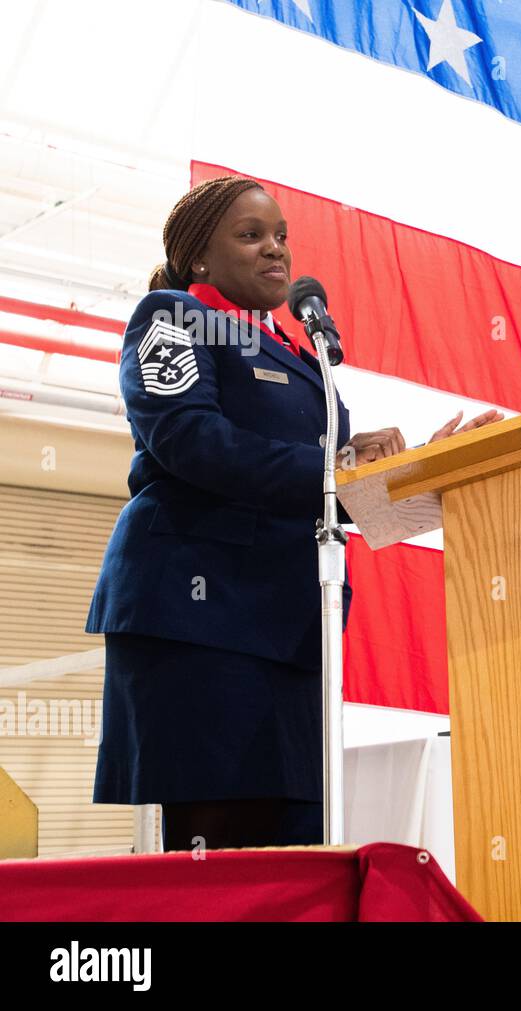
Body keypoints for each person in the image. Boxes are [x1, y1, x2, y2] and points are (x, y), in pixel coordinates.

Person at [87, 175, 500, 851]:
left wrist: (421, 464)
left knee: (295, 851)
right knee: (219, 859)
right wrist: (335, 469)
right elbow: (194, 442)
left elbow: (328, 483)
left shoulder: (303, 359)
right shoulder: (174, 318)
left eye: (281, 236)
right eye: (251, 236)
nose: (275, 250)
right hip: (203, 618)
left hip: (291, 628)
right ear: (199, 258)